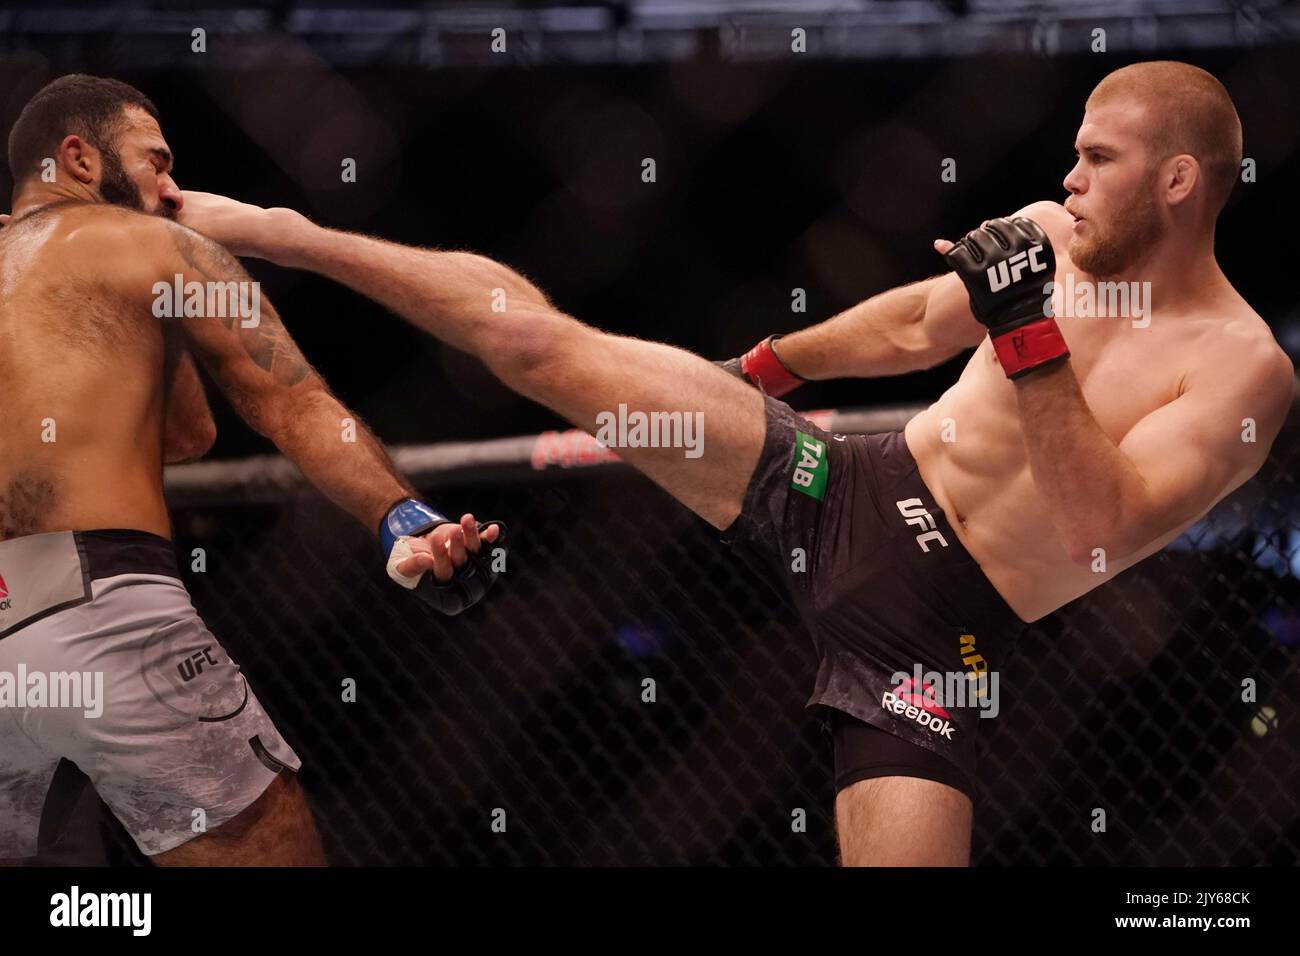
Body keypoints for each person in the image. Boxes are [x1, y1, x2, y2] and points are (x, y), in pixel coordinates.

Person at [177, 60, 1292, 866]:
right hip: (839, 486)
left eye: (1099, 157)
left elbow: (1099, 525)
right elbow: (912, 324)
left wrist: (1029, 336)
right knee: (536, 342)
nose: (1071, 175)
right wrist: (761, 368)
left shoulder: (1244, 371)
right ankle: (282, 229)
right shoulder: (1051, 234)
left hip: (938, 637)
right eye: (1073, 153)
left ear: (1180, 179)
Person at [0, 74, 502, 866]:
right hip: (106, 617)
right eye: (157, 163)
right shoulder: (158, 244)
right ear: (80, 158)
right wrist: (400, 516)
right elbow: (292, 403)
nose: (172, 189)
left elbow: (187, 432)